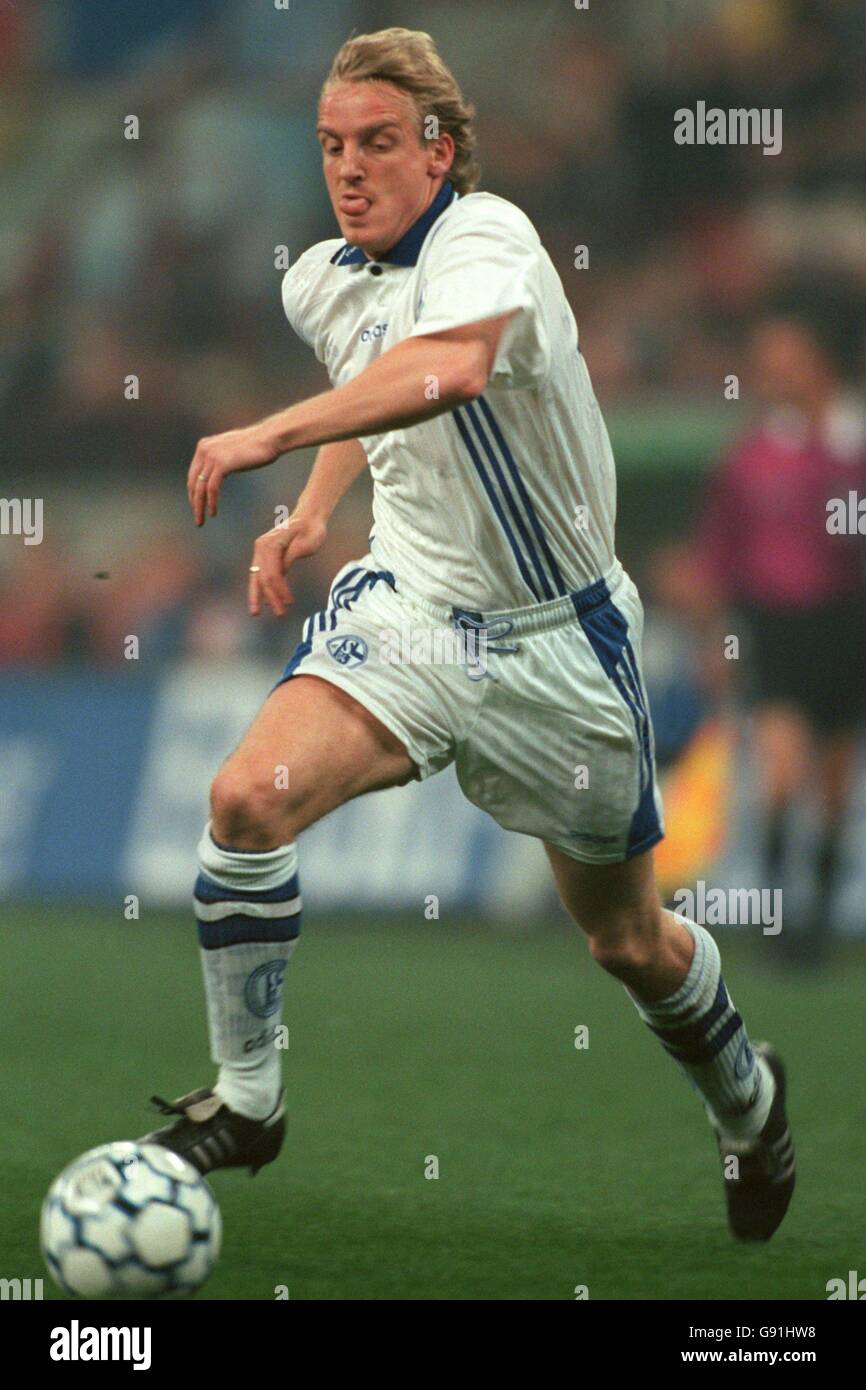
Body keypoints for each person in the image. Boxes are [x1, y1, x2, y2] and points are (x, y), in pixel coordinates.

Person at [142, 28, 794, 1241]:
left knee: (625, 940)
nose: (350, 168)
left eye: (379, 142)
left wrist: (261, 438)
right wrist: (314, 513)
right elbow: (373, 376)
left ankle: (748, 1103)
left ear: (439, 150)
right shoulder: (320, 276)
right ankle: (247, 1099)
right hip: (414, 611)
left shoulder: (491, 240)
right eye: (332, 144)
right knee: (243, 805)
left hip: (561, 644)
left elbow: (441, 367)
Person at [695, 284, 866, 960]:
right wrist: (718, 636)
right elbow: (720, 556)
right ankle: (775, 920)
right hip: (777, 627)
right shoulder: (748, 457)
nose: (771, 369)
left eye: (785, 355)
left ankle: (817, 919)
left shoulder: (853, 445)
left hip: (847, 624)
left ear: (819, 362)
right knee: (780, 771)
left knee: (833, 779)